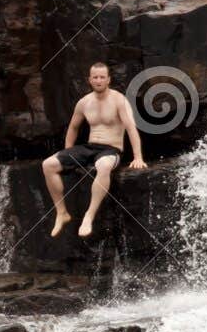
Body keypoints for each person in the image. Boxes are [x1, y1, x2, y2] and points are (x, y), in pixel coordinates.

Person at [42, 62, 148, 238]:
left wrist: (138, 157)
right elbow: (73, 128)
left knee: (104, 166)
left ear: (108, 80)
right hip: (89, 147)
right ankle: (61, 212)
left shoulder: (118, 100)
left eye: (102, 77)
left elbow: (131, 128)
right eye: (95, 77)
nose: (98, 80)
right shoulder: (84, 102)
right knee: (48, 164)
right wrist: (69, 154)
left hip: (111, 149)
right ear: (89, 80)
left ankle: (88, 216)